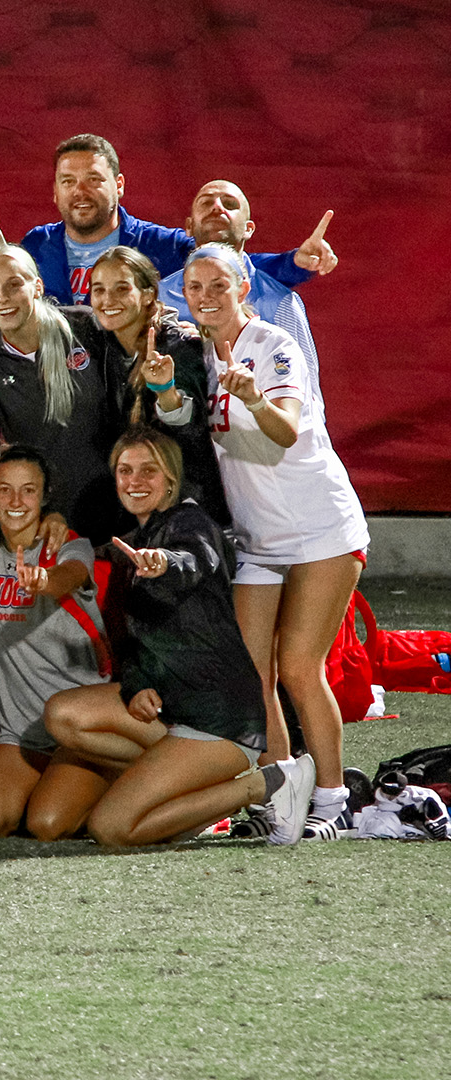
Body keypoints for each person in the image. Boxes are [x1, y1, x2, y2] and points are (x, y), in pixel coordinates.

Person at [43, 428, 315, 848]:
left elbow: (196, 557)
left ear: (171, 478)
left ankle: (268, 784)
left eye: (148, 471)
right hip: (178, 707)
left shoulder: (189, 522)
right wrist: (136, 687)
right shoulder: (144, 534)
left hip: (220, 719)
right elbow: (138, 641)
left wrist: (166, 563)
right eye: (125, 470)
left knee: (110, 828)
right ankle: (186, 791)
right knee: (62, 714)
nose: (134, 481)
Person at [185, 244, 368, 841]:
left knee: (297, 666)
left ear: (243, 288)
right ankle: (283, 794)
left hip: (319, 527)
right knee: (250, 671)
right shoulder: (196, 354)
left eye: (219, 285)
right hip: (258, 538)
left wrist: (254, 398)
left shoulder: (272, 345)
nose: (206, 297)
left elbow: (286, 428)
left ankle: (333, 798)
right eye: (194, 287)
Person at [0, 446, 112, 840]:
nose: (16, 502)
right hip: (22, 733)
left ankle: (121, 776)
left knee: (46, 825)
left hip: (80, 729)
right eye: (4, 490)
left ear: (44, 496)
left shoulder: (67, 544)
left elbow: (69, 575)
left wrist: (44, 582)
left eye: (28, 490)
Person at [0, 245, 125, 542]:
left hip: (117, 505)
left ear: (37, 286)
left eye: (14, 285)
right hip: (46, 517)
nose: (2, 298)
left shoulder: (84, 326)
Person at [13, 133, 317, 303]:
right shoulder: (38, 244)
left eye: (94, 179)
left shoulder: (160, 246)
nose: (80, 191)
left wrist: (294, 264)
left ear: (119, 185)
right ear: (54, 191)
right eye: (68, 181)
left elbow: (231, 265)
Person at [84, 245, 226, 525]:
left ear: (148, 294)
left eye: (122, 289)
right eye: (98, 290)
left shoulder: (178, 347)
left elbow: (194, 433)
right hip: (139, 515)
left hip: (192, 514)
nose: (107, 299)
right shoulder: (101, 346)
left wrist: (166, 392)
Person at [157, 180, 337, 372]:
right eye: (206, 203)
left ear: (248, 228)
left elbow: (307, 392)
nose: (217, 207)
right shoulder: (160, 298)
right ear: (189, 226)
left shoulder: (279, 302)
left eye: (230, 204)